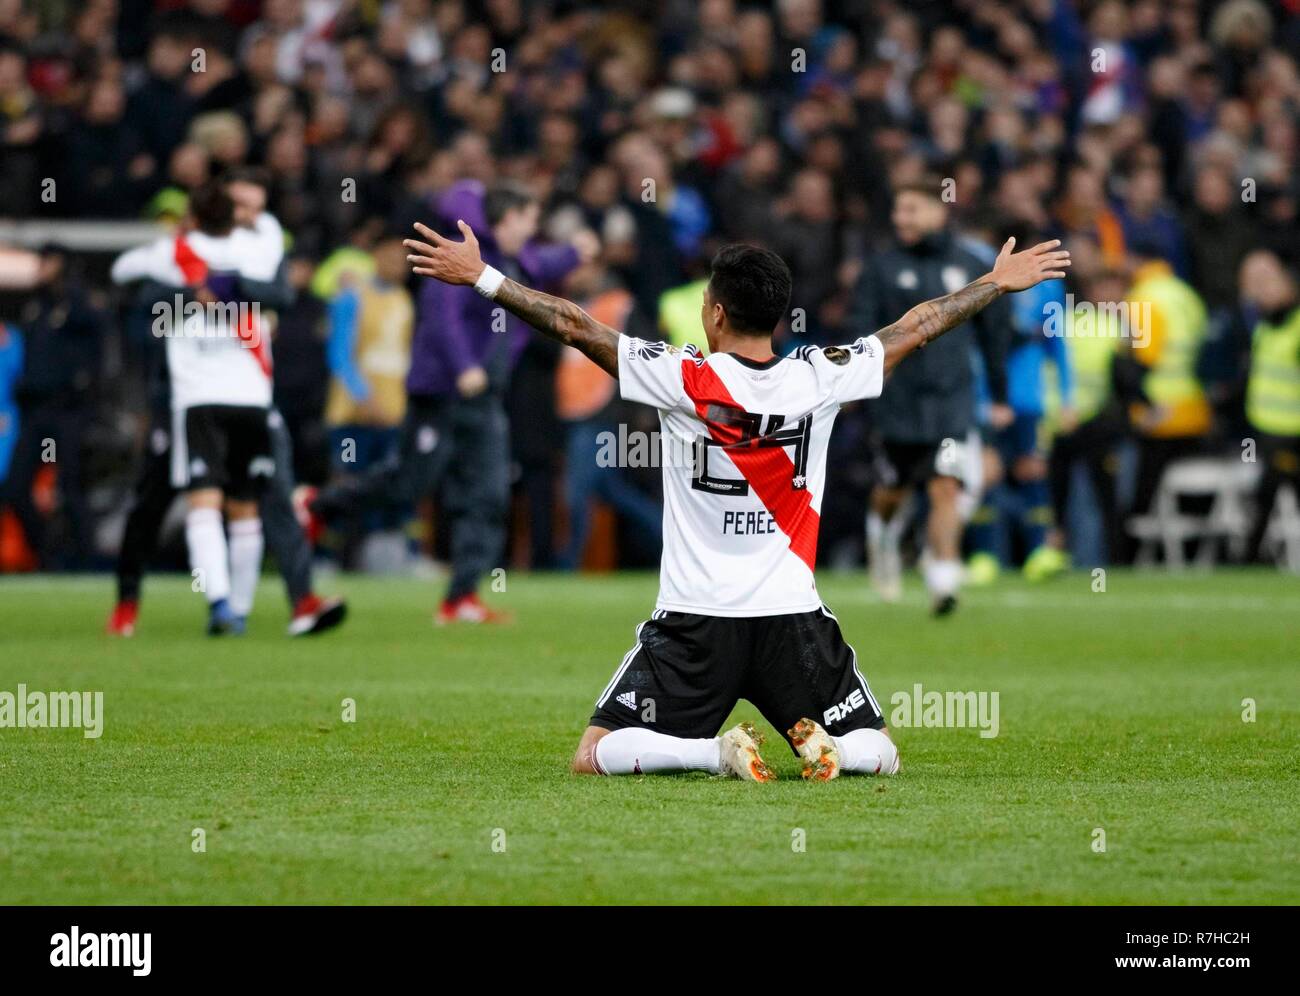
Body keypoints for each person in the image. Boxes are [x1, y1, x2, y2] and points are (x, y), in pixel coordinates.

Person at [405, 218, 1068, 780]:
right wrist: (993, 284)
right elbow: (917, 326)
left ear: (716, 313)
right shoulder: (823, 374)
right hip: (794, 622)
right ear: (780, 316)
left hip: (696, 624)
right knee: (881, 751)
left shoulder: (681, 376)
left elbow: (573, 324)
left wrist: (484, 277)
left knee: (595, 752)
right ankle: (832, 747)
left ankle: (710, 753)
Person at [312, 179, 594, 623]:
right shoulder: (464, 254)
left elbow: (548, 260)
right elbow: (443, 314)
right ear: (509, 219)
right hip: (442, 391)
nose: (535, 228)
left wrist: (579, 249)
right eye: (530, 219)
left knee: (488, 492)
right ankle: (317, 507)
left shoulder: (513, 259)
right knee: (409, 483)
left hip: (483, 397)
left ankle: (460, 597)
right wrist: (464, 366)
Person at [107, 172, 345, 637]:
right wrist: (205, 296)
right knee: (153, 502)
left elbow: (280, 294)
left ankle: (261, 604)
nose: (250, 216)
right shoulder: (242, 249)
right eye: (243, 207)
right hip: (180, 395)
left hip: (239, 392)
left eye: (257, 207)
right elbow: (147, 299)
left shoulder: (237, 247)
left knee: (255, 496)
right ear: (231, 210)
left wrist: (221, 290)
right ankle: (132, 602)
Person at [110, 182, 281, 635]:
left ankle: (221, 603)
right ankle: (239, 610)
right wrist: (242, 286)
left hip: (198, 396)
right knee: (245, 505)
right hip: (252, 392)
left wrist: (195, 294)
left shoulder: (176, 251)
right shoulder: (259, 246)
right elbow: (282, 293)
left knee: (202, 501)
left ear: (194, 217)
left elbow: (123, 271)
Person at [850, 182, 1014, 614]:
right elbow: (862, 334)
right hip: (896, 402)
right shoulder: (880, 270)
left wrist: (999, 396)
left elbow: (994, 336)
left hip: (951, 401)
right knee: (892, 489)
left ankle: (943, 577)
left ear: (939, 211)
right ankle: (882, 536)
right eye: (898, 210)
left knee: (945, 485)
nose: (901, 218)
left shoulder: (970, 266)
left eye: (911, 209)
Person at [1239, 250, 1300, 564]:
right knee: (1265, 495)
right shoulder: (1264, 326)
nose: (1263, 293)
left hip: (1293, 429)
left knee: (1268, 494)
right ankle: (1252, 557)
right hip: (1269, 428)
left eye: (1271, 285)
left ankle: (1251, 557)